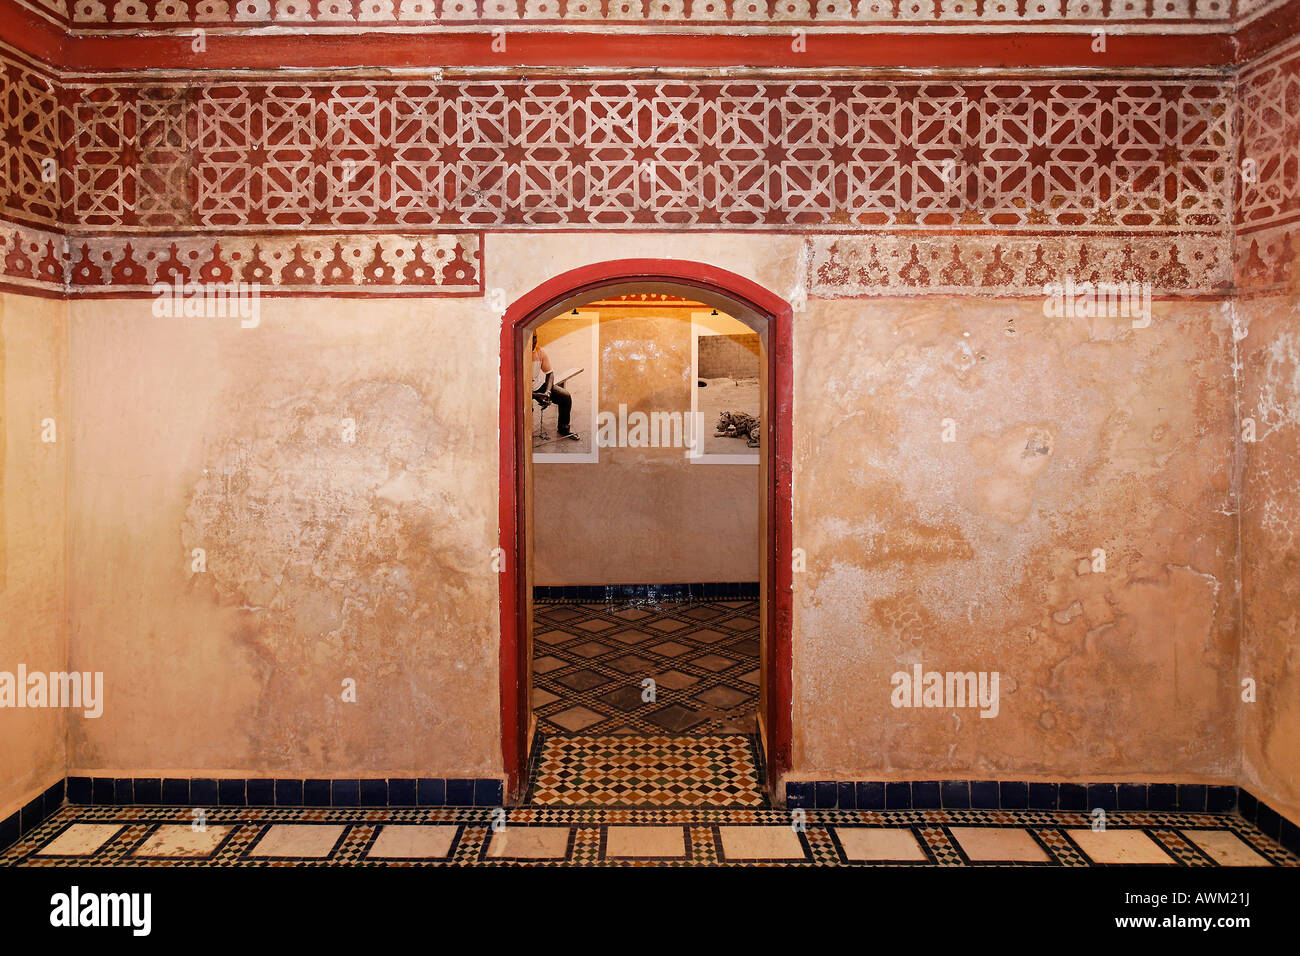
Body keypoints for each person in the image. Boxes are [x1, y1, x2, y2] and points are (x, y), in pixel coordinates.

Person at [532, 333, 577, 440]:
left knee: (565, 397)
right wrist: (533, 395)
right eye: (531, 338)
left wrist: (548, 392)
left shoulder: (540, 352)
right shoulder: (518, 352)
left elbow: (550, 373)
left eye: (535, 338)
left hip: (536, 386)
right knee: (527, 409)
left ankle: (563, 428)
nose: (534, 341)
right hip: (520, 389)